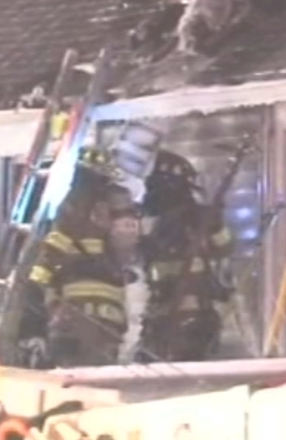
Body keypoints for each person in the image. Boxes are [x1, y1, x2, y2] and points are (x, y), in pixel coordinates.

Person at [27, 149, 136, 368]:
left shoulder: (76, 205)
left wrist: (36, 283)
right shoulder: (114, 207)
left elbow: (55, 245)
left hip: (77, 315)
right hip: (110, 315)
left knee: (74, 379)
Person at [139, 151, 234, 362]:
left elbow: (225, 247)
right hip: (160, 316)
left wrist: (214, 222)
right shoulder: (148, 220)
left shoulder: (197, 217)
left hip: (192, 314)